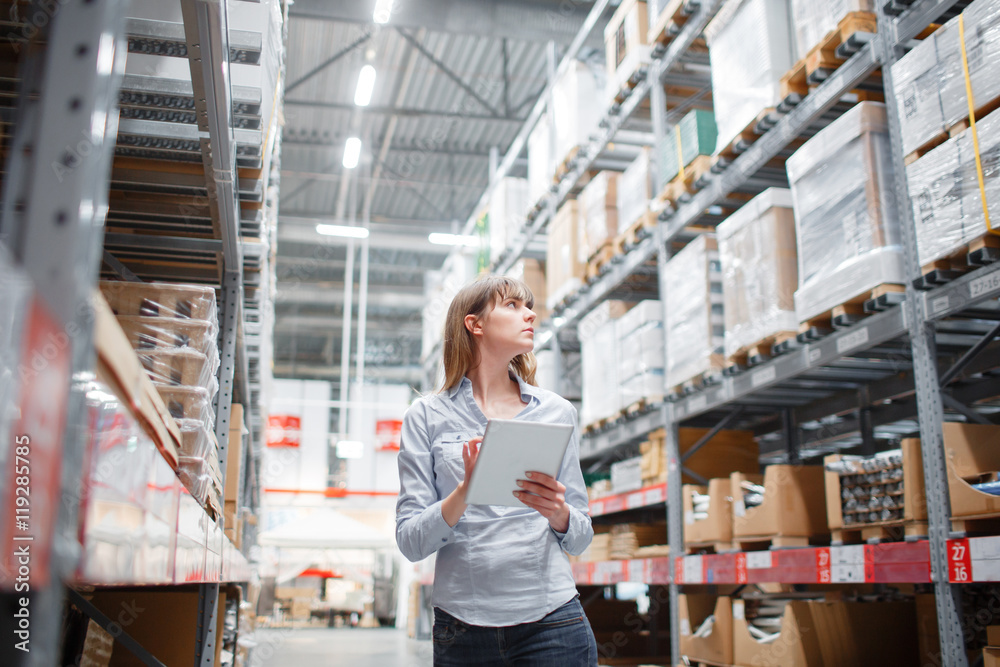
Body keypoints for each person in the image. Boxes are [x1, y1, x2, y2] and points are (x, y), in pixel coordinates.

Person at [396, 275, 597, 666]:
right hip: (463, 629)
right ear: (475, 324)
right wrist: (464, 491)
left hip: (553, 621)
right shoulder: (426, 417)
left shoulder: (556, 412)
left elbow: (581, 536)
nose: (531, 314)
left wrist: (559, 514)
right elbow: (410, 542)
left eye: (529, 306)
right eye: (513, 305)